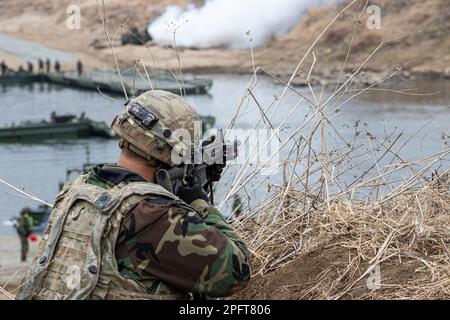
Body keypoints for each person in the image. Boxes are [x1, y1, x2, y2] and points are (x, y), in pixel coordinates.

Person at [16, 90, 251, 300]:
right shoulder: (150, 213)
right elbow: (237, 271)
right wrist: (198, 201)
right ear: (171, 152)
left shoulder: (76, 189)